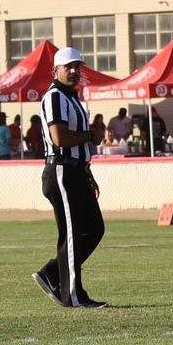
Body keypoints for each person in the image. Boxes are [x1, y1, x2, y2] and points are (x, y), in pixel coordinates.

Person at [34, 47, 106, 309]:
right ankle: (73, 296)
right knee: (72, 234)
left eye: (78, 66)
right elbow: (59, 138)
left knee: (95, 228)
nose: (75, 71)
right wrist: (90, 135)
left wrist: (87, 171)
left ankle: (52, 274)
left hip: (75, 170)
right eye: (69, 67)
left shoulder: (72, 98)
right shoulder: (54, 97)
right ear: (55, 71)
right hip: (61, 171)